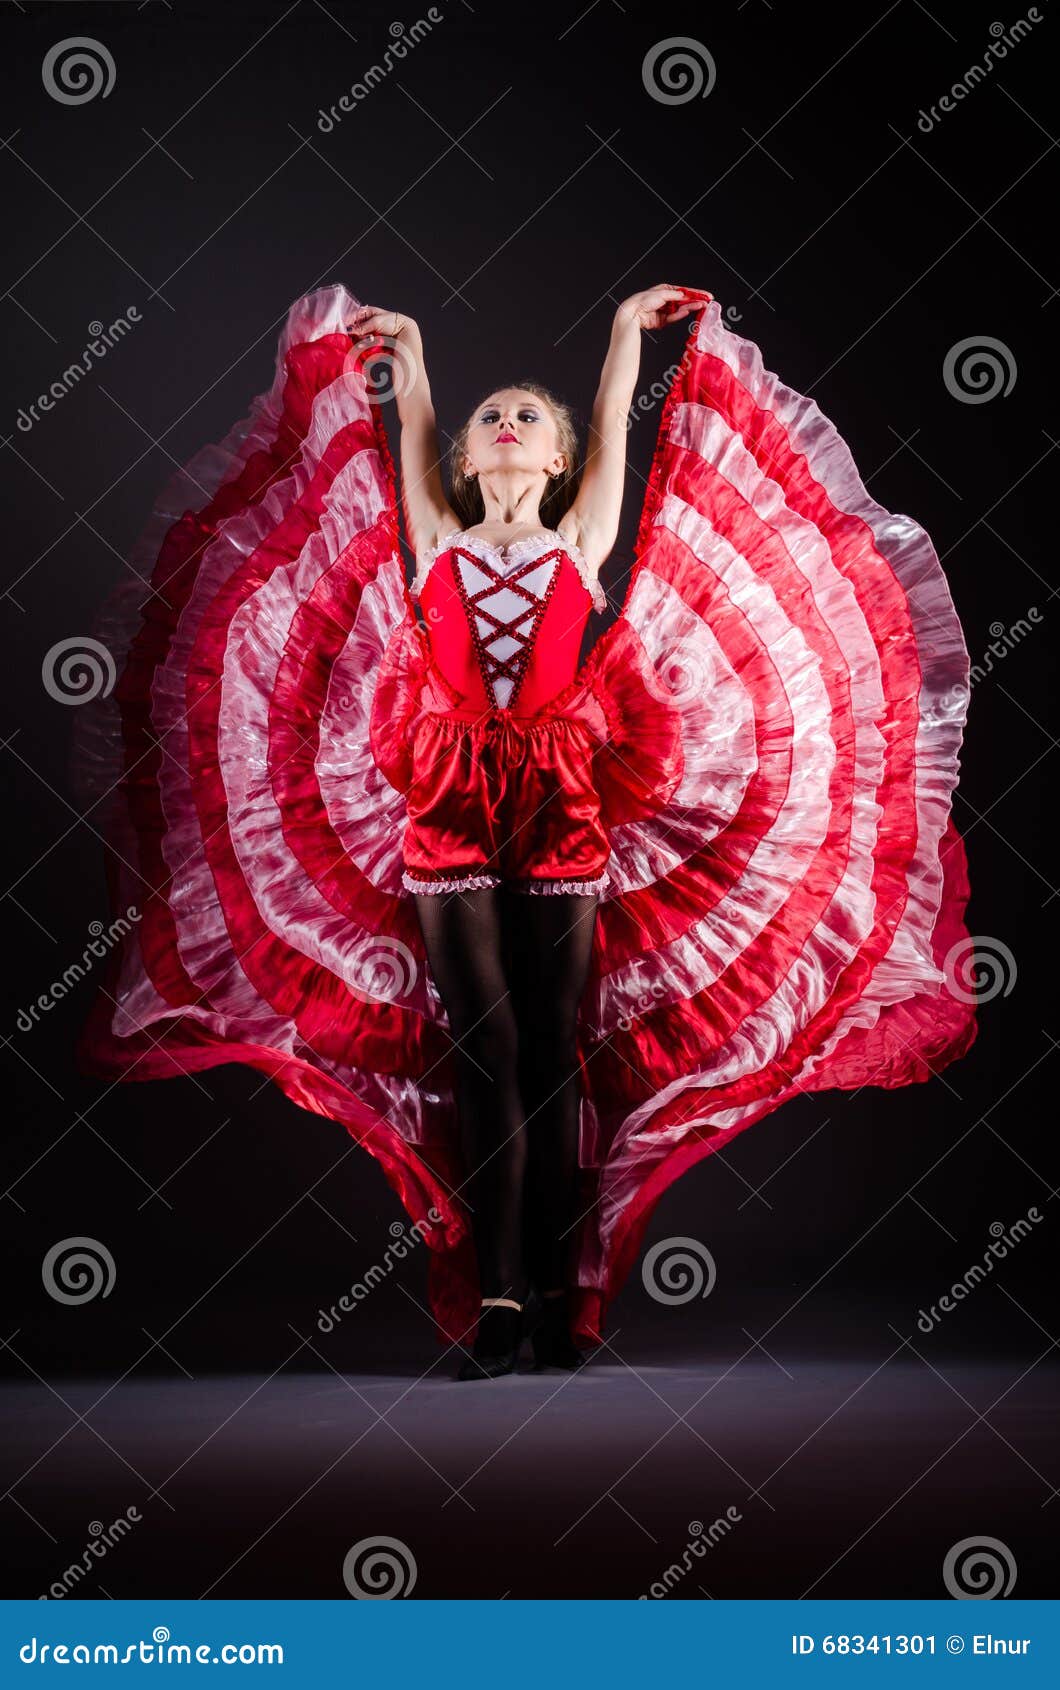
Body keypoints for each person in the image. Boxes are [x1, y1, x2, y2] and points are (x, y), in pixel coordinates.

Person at [75, 279, 978, 1381]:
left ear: (553, 462)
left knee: (556, 1055)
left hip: (561, 806)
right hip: (446, 808)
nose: (506, 424)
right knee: (484, 1050)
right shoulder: (438, 536)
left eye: (527, 419)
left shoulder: (581, 542)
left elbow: (617, 432)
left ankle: (559, 1295)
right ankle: (497, 1297)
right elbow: (403, 424)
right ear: (469, 460)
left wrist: (618, 337)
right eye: (491, 417)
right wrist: (403, 352)